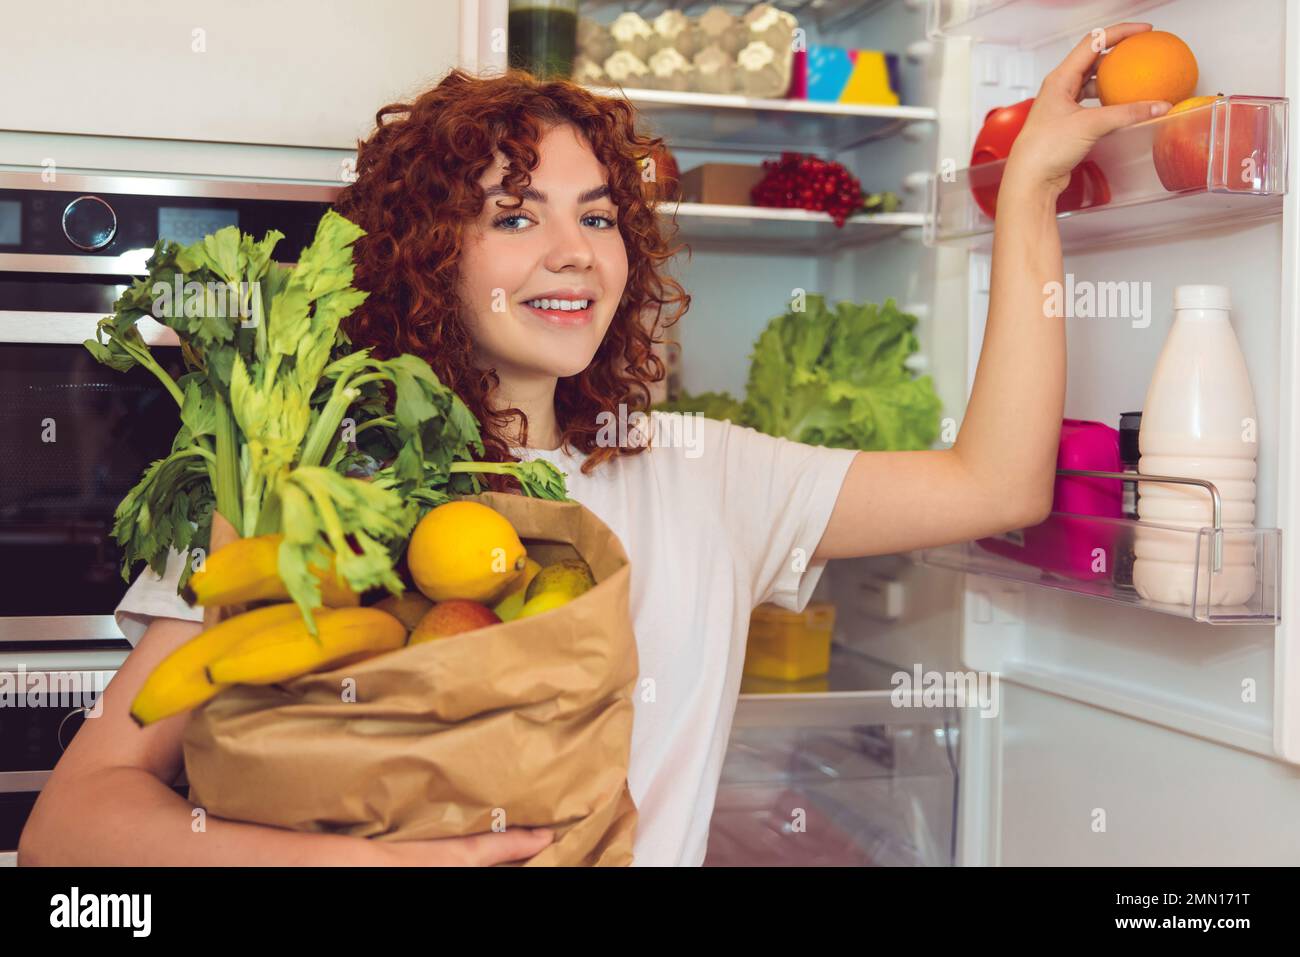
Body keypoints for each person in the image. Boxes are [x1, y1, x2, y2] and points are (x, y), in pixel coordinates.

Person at [19, 23, 1170, 867]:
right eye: (515, 215)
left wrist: (1025, 200)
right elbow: (78, 829)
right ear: (425, 253)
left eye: (599, 215)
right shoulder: (298, 490)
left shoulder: (704, 473)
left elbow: (999, 479)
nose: (574, 252)